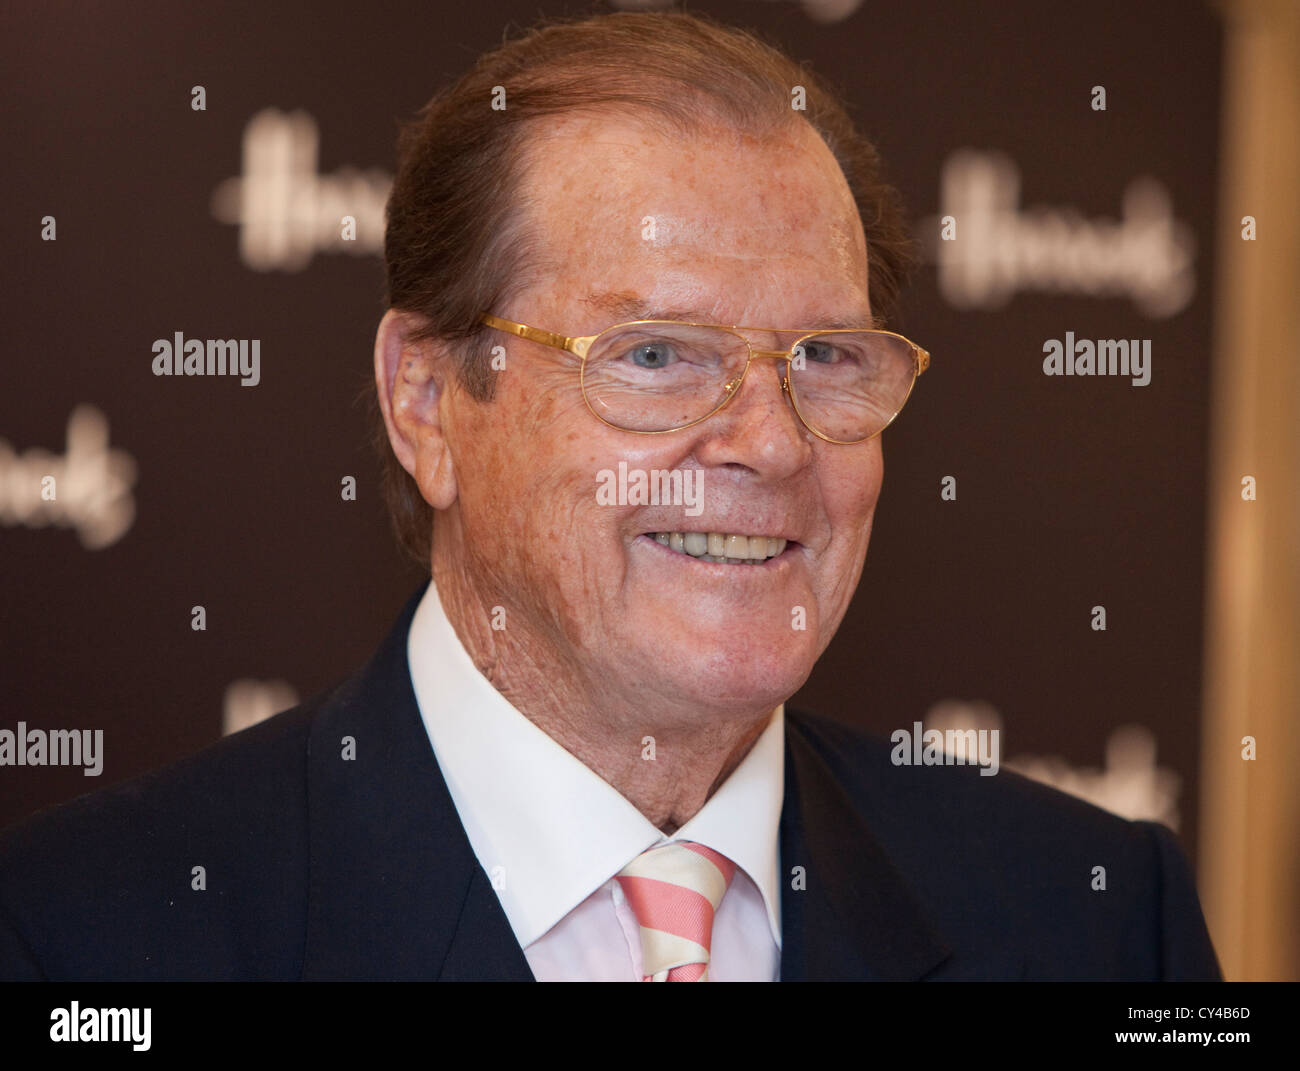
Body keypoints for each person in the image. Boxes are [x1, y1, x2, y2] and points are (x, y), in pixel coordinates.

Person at [0, 10, 1220, 981]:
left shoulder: (1099, 921)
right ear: (426, 400)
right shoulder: (87, 937)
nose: (771, 444)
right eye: (653, 355)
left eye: (826, 359)